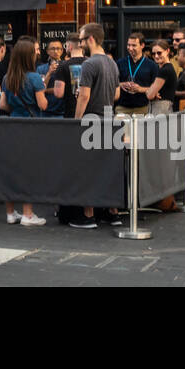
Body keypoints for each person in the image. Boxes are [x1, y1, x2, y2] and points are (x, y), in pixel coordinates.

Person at [69, 22, 121, 229]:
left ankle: (88, 215)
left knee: (88, 168)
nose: (80, 44)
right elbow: (117, 94)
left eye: (81, 40)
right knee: (108, 168)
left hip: (91, 120)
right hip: (109, 118)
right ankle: (112, 213)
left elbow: (84, 96)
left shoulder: (89, 64)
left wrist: (76, 121)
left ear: (90, 39)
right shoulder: (112, 63)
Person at [0, 36, 47, 226]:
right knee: (29, 170)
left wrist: (16, 108)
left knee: (12, 169)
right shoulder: (35, 78)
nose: (37, 53)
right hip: (31, 128)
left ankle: (11, 213)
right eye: (34, 51)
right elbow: (43, 105)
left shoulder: (7, 77)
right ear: (28, 56)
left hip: (13, 125)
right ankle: (28, 214)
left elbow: (3, 104)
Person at [114, 31, 158, 116]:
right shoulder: (119, 63)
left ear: (142, 46)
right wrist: (121, 84)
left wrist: (140, 89)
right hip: (122, 108)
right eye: (128, 45)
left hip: (142, 109)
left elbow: (156, 89)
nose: (130, 48)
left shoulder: (152, 65)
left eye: (134, 45)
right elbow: (112, 84)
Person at [45, 41, 82, 119]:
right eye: (52, 49)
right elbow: (39, 88)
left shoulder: (67, 66)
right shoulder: (41, 68)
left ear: (62, 51)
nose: (56, 51)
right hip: (47, 110)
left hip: (63, 109)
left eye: (58, 49)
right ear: (47, 51)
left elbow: (73, 87)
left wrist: (47, 90)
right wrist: (49, 73)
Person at [145, 40, 178, 115]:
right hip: (162, 109)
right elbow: (151, 93)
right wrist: (151, 91)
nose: (156, 56)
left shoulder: (165, 70)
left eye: (159, 53)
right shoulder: (164, 68)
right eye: (153, 54)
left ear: (167, 51)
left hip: (161, 109)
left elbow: (150, 95)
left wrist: (150, 91)